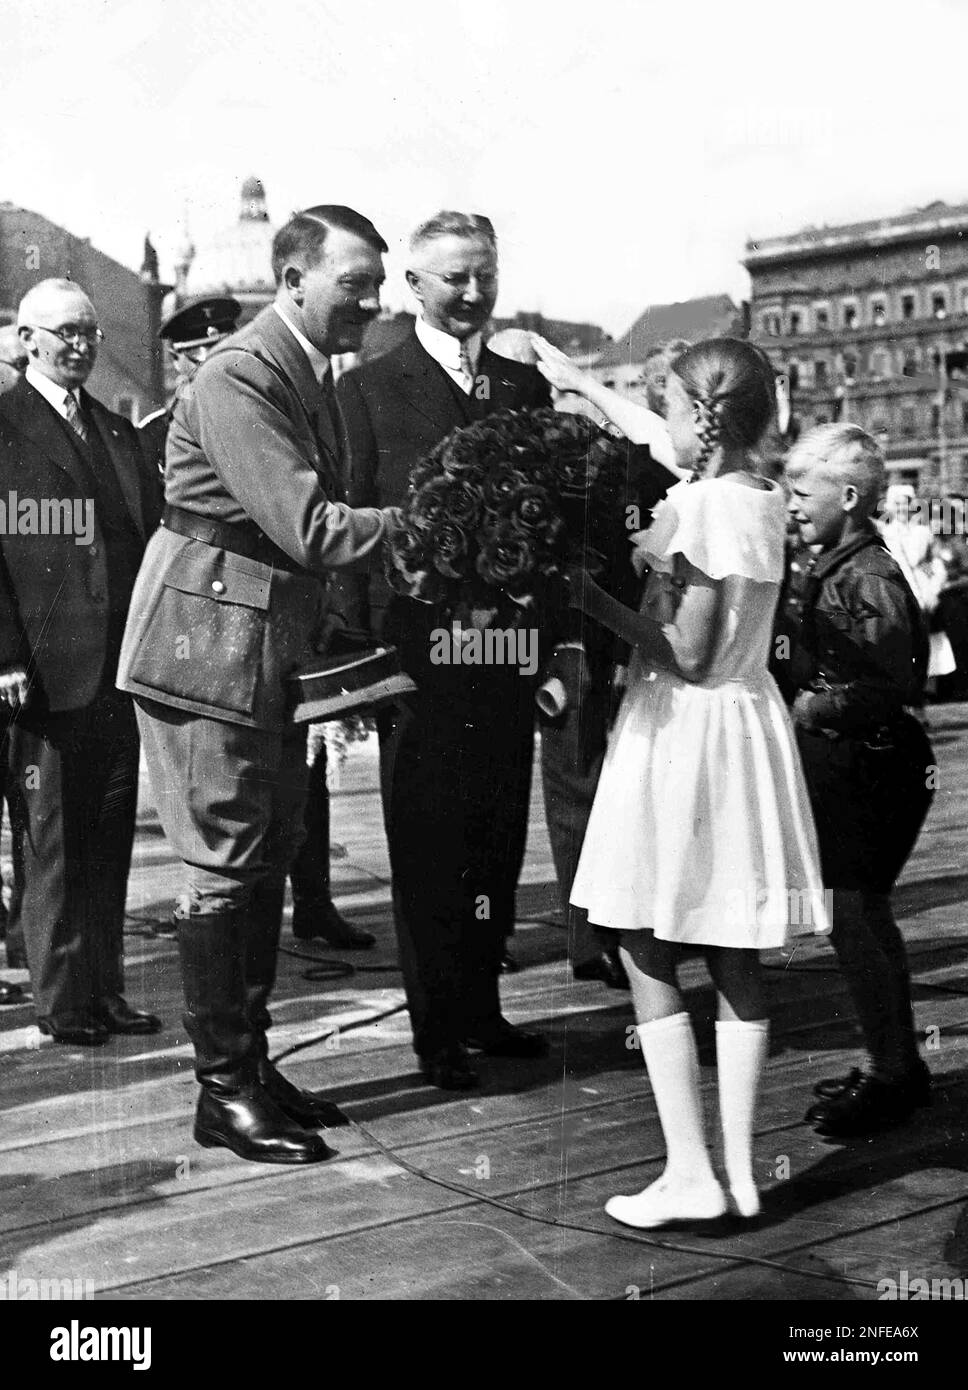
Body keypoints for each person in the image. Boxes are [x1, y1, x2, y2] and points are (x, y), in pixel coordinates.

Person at [118, 205, 398, 1165]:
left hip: (254, 641)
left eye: (377, 281)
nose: (373, 300)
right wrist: (430, 522)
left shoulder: (299, 368)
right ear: (294, 280)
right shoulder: (243, 372)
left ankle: (252, 1067)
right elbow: (312, 529)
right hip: (205, 645)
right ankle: (224, 1092)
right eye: (354, 283)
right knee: (226, 860)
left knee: (267, 851)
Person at [532, 336, 827, 1229]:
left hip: (685, 729)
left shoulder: (698, 509)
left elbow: (690, 655)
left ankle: (691, 1169)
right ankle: (740, 1172)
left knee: (642, 936)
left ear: (695, 418)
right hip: (747, 724)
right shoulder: (764, 499)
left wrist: (594, 601)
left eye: (663, 407)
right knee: (733, 943)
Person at [336, 210, 551, 1089]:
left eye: (484, 276)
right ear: (414, 288)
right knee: (429, 841)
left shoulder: (522, 387)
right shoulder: (368, 390)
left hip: (506, 652)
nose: (472, 294)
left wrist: (551, 653)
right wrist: (355, 667)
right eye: (454, 278)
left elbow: (548, 529)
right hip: (418, 656)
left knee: (498, 831)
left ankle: (482, 1009)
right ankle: (437, 1035)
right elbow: (349, 531)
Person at [0, 279, 164, 1042]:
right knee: (55, 842)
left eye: (91, 333)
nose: (80, 346)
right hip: (40, 673)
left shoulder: (116, 432)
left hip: (117, 674)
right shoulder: (3, 425)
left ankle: (105, 988)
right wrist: (4, 654)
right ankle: (62, 1000)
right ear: (25, 340)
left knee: (109, 835)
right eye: (64, 332)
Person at [783, 424, 934, 1137]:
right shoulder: (831, 560)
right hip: (856, 764)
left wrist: (815, 704)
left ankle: (893, 1073)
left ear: (846, 496)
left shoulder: (866, 572)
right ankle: (894, 1061)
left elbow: (897, 676)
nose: (790, 503)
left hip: (875, 766)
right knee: (862, 918)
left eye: (801, 490)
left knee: (856, 918)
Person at [528, 336, 687, 989]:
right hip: (573, 646)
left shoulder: (643, 466)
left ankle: (617, 930)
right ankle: (591, 936)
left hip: (627, 644)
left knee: (612, 789)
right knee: (576, 786)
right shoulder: (548, 466)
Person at [138, 295, 241, 478]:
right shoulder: (153, 433)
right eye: (200, 358)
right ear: (175, 359)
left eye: (223, 353)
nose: (213, 367)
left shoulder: (261, 417)